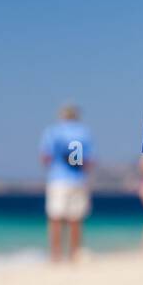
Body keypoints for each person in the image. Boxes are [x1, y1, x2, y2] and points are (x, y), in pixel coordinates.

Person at [38, 104, 93, 261]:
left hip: (58, 179)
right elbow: (89, 161)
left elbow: (45, 157)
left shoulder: (53, 132)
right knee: (75, 219)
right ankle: (74, 254)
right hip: (78, 180)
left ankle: (56, 255)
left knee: (55, 218)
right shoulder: (84, 132)